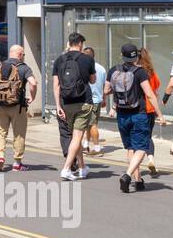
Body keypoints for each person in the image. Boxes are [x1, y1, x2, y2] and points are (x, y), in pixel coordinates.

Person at [106, 43, 162, 192]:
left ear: (121, 55)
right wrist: (160, 114)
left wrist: (119, 89)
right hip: (139, 114)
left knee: (131, 147)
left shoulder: (113, 70)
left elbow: (106, 90)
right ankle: (128, 175)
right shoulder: (140, 72)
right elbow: (149, 94)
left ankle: (138, 180)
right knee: (142, 147)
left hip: (122, 115)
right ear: (136, 56)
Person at [0, 44, 38, 172]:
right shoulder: (24, 68)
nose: (24, 57)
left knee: (1, 132)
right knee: (19, 134)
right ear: (19, 54)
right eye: (23, 54)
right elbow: (33, 83)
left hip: (1, 105)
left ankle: (1, 156)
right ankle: (17, 163)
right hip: (18, 107)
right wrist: (33, 97)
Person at [52, 33, 97, 181]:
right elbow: (93, 80)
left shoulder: (59, 60)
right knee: (77, 137)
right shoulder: (87, 59)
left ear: (69, 43)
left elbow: (56, 85)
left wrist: (58, 105)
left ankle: (82, 167)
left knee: (74, 138)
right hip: (83, 102)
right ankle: (66, 168)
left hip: (66, 103)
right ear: (80, 44)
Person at [139, 47, 164, 175]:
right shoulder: (151, 73)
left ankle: (137, 164)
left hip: (139, 109)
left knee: (139, 137)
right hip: (151, 109)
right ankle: (151, 159)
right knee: (148, 135)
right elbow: (156, 91)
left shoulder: (136, 72)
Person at [81, 46, 108, 155]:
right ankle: (86, 144)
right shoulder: (101, 68)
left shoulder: (85, 67)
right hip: (98, 100)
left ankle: (97, 148)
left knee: (92, 125)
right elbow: (105, 85)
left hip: (89, 101)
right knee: (90, 124)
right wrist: (104, 99)